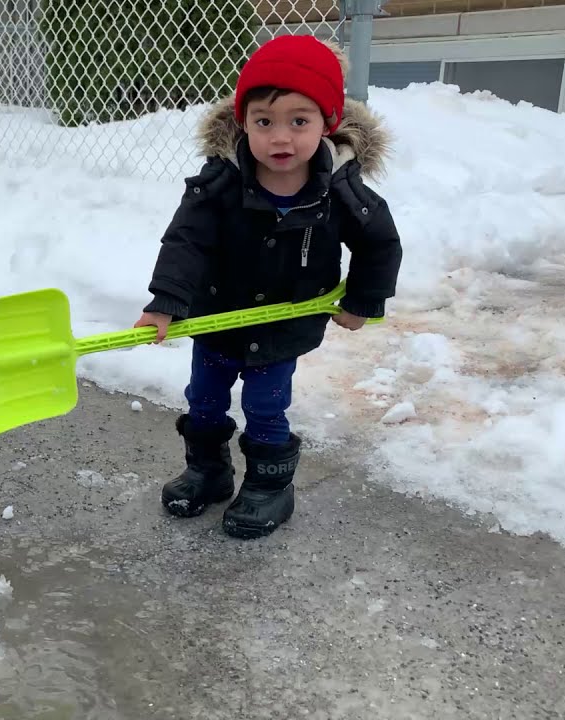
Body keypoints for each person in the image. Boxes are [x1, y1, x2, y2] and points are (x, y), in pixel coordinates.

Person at [134, 34, 403, 539]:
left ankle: (269, 485)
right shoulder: (220, 182)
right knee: (205, 399)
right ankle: (209, 471)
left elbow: (380, 244)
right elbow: (186, 242)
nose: (281, 138)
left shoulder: (340, 188)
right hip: (217, 316)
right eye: (264, 122)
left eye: (299, 121)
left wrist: (363, 297)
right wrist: (167, 302)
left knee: (264, 404)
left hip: (283, 326)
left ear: (329, 123)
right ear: (243, 123)